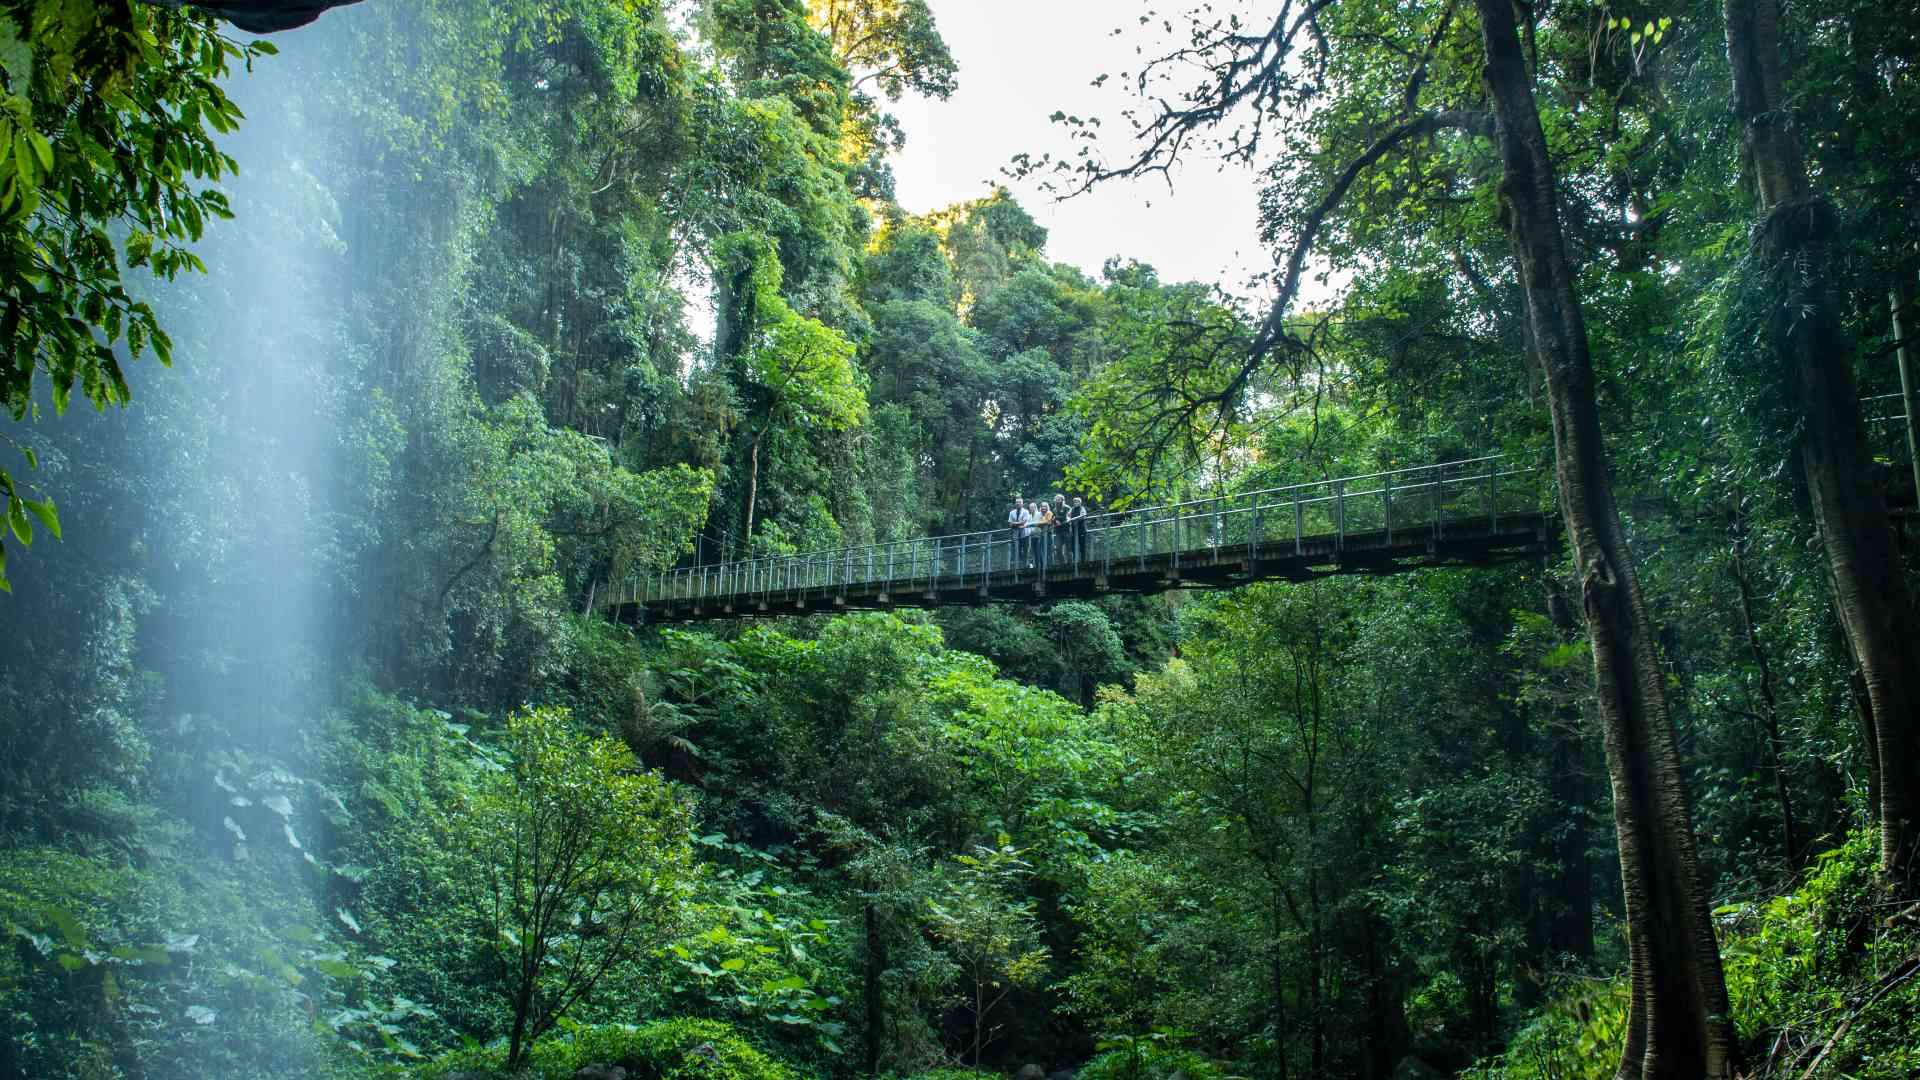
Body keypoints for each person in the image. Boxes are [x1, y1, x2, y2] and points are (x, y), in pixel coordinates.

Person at [1068, 497, 1089, 562]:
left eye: (1077, 502)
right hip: (1074, 530)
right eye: (1074, 502)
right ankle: (1075, 560)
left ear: (1080, 503)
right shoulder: (1072, 509)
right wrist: (1069, 519)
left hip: (1081, 529)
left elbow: (1083, 516)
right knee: (1073, 546)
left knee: (1082, 545)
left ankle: (1083, 560)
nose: (1075, 503)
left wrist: (1074, 519)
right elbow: (1068, 516)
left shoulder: (1082, 508)